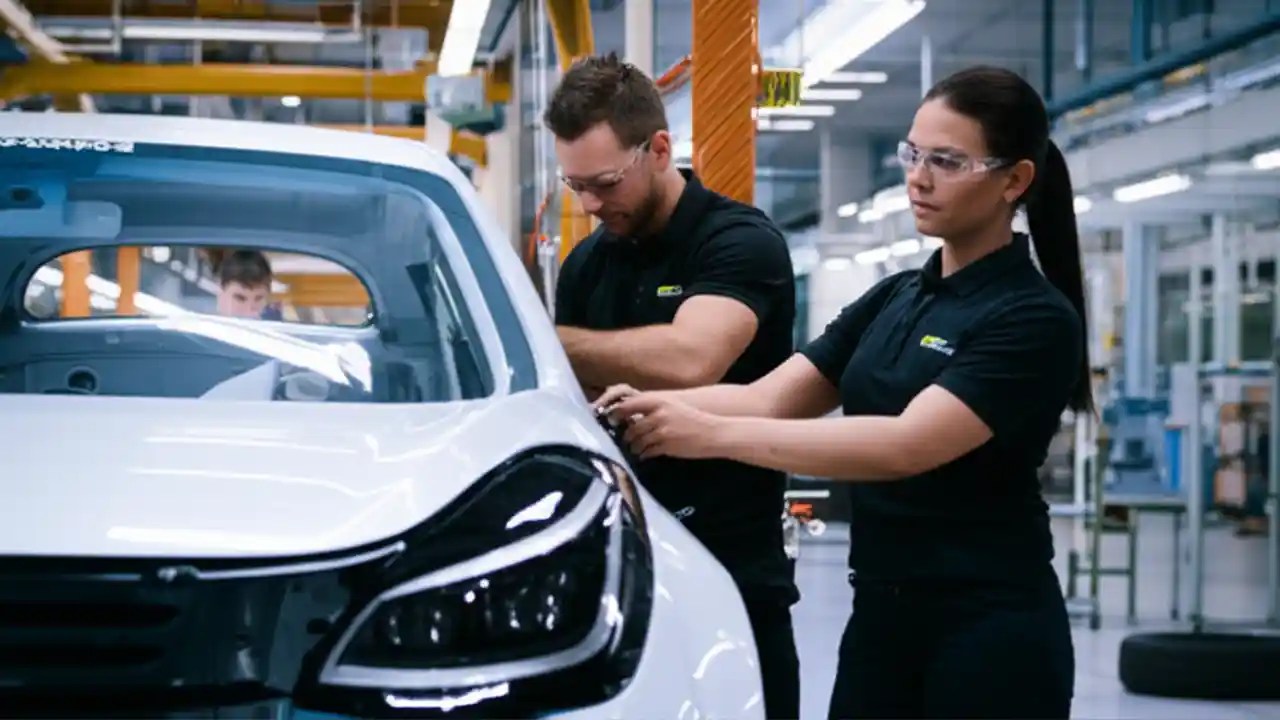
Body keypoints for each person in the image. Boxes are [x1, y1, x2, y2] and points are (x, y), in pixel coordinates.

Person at [597, 65, 1089, 719]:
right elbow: (770, 397)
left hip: (989, 632)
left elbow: (905, 445)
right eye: (913, 154)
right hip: (881, 618)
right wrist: (641, 404)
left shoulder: (1033, 317)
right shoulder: (897, 296)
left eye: (946, 161)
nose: (918, 177)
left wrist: (706, 434)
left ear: (1015, 180)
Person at [545, 52, 801, 719]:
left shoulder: (739, 242)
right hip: (618, 573)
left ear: (659, 149)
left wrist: (540, 337)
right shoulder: (586, 264)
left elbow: (693, 359)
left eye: (605, 183)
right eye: (575, 186)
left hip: (732, 570)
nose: (589, 205)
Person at [213, 249, 276, 319]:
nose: (249, 312)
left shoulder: (279, 323)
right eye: (240, 298)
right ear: (220, 293)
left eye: (259, 299)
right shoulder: (203, 319)